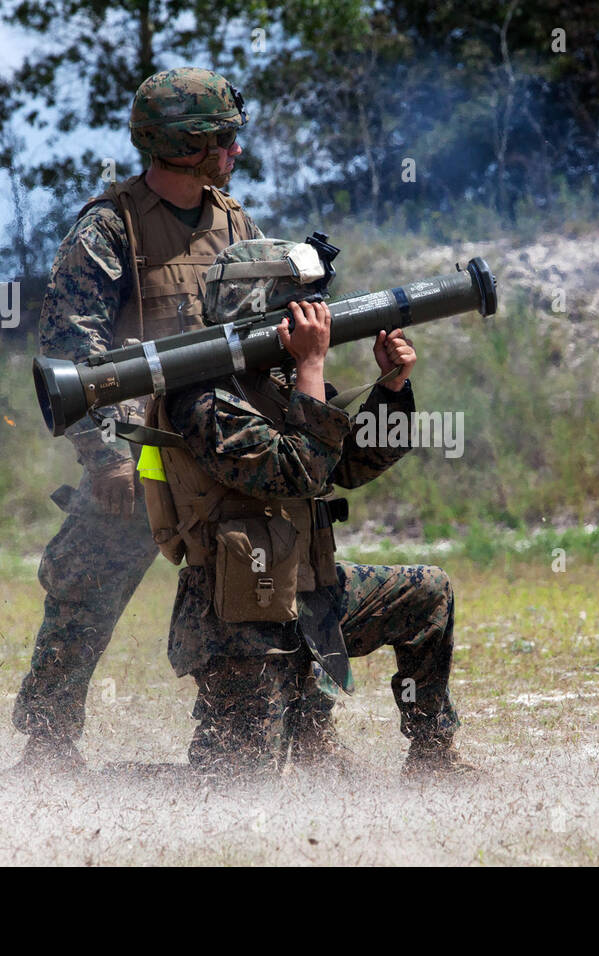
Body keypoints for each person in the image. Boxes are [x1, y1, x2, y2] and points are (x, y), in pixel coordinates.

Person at [10, 67, 264, 772]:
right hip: (142, 451)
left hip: (220, 442)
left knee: (273, 582)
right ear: (187, 144)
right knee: (84, 585)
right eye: (222, 138)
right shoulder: (109, 226)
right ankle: (48, 747)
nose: (233, 151)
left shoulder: (236, 222)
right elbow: (71, 349)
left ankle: (294, 734)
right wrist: (109, 456)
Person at [146, 239, 472, 777]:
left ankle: (433, 757)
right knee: (238, 785)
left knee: (427, 594)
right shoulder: (202, 399)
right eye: (300, 302)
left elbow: (349, 467)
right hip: (238, 621)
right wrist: (313, 367)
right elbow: (297, 470)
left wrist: (392, 389)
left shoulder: (278, 383)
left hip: (309, 596)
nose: (317, 315)